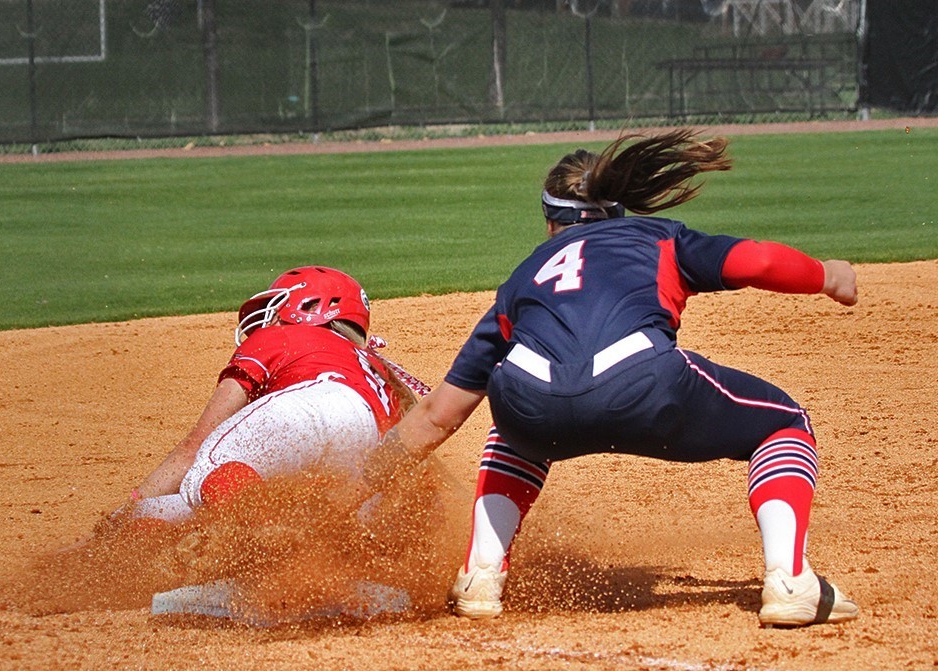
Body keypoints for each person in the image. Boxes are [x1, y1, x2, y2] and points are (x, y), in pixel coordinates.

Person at [363, 128, 859, 628]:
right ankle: (791, 580)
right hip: (642, 386)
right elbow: (760, 260)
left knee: (511, 429)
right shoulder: (656, 236)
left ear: (551, 222)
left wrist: (354, 483)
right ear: (616, 210)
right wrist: (829, 276)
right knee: (783, 423)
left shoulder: (521, 277)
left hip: (531, 406)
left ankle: (480, 575)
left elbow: (436, 416)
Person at [114, 265, 424, 619]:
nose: (270, 322)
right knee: (177, 511)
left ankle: (266, 576)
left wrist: (121, 509)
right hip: (375, 443)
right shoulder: (385, 370)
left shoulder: (280, 338)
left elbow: (193, 447)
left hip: (311, 405)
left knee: (211, 467)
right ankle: (337, 582)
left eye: (278, 310)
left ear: (309, 308)